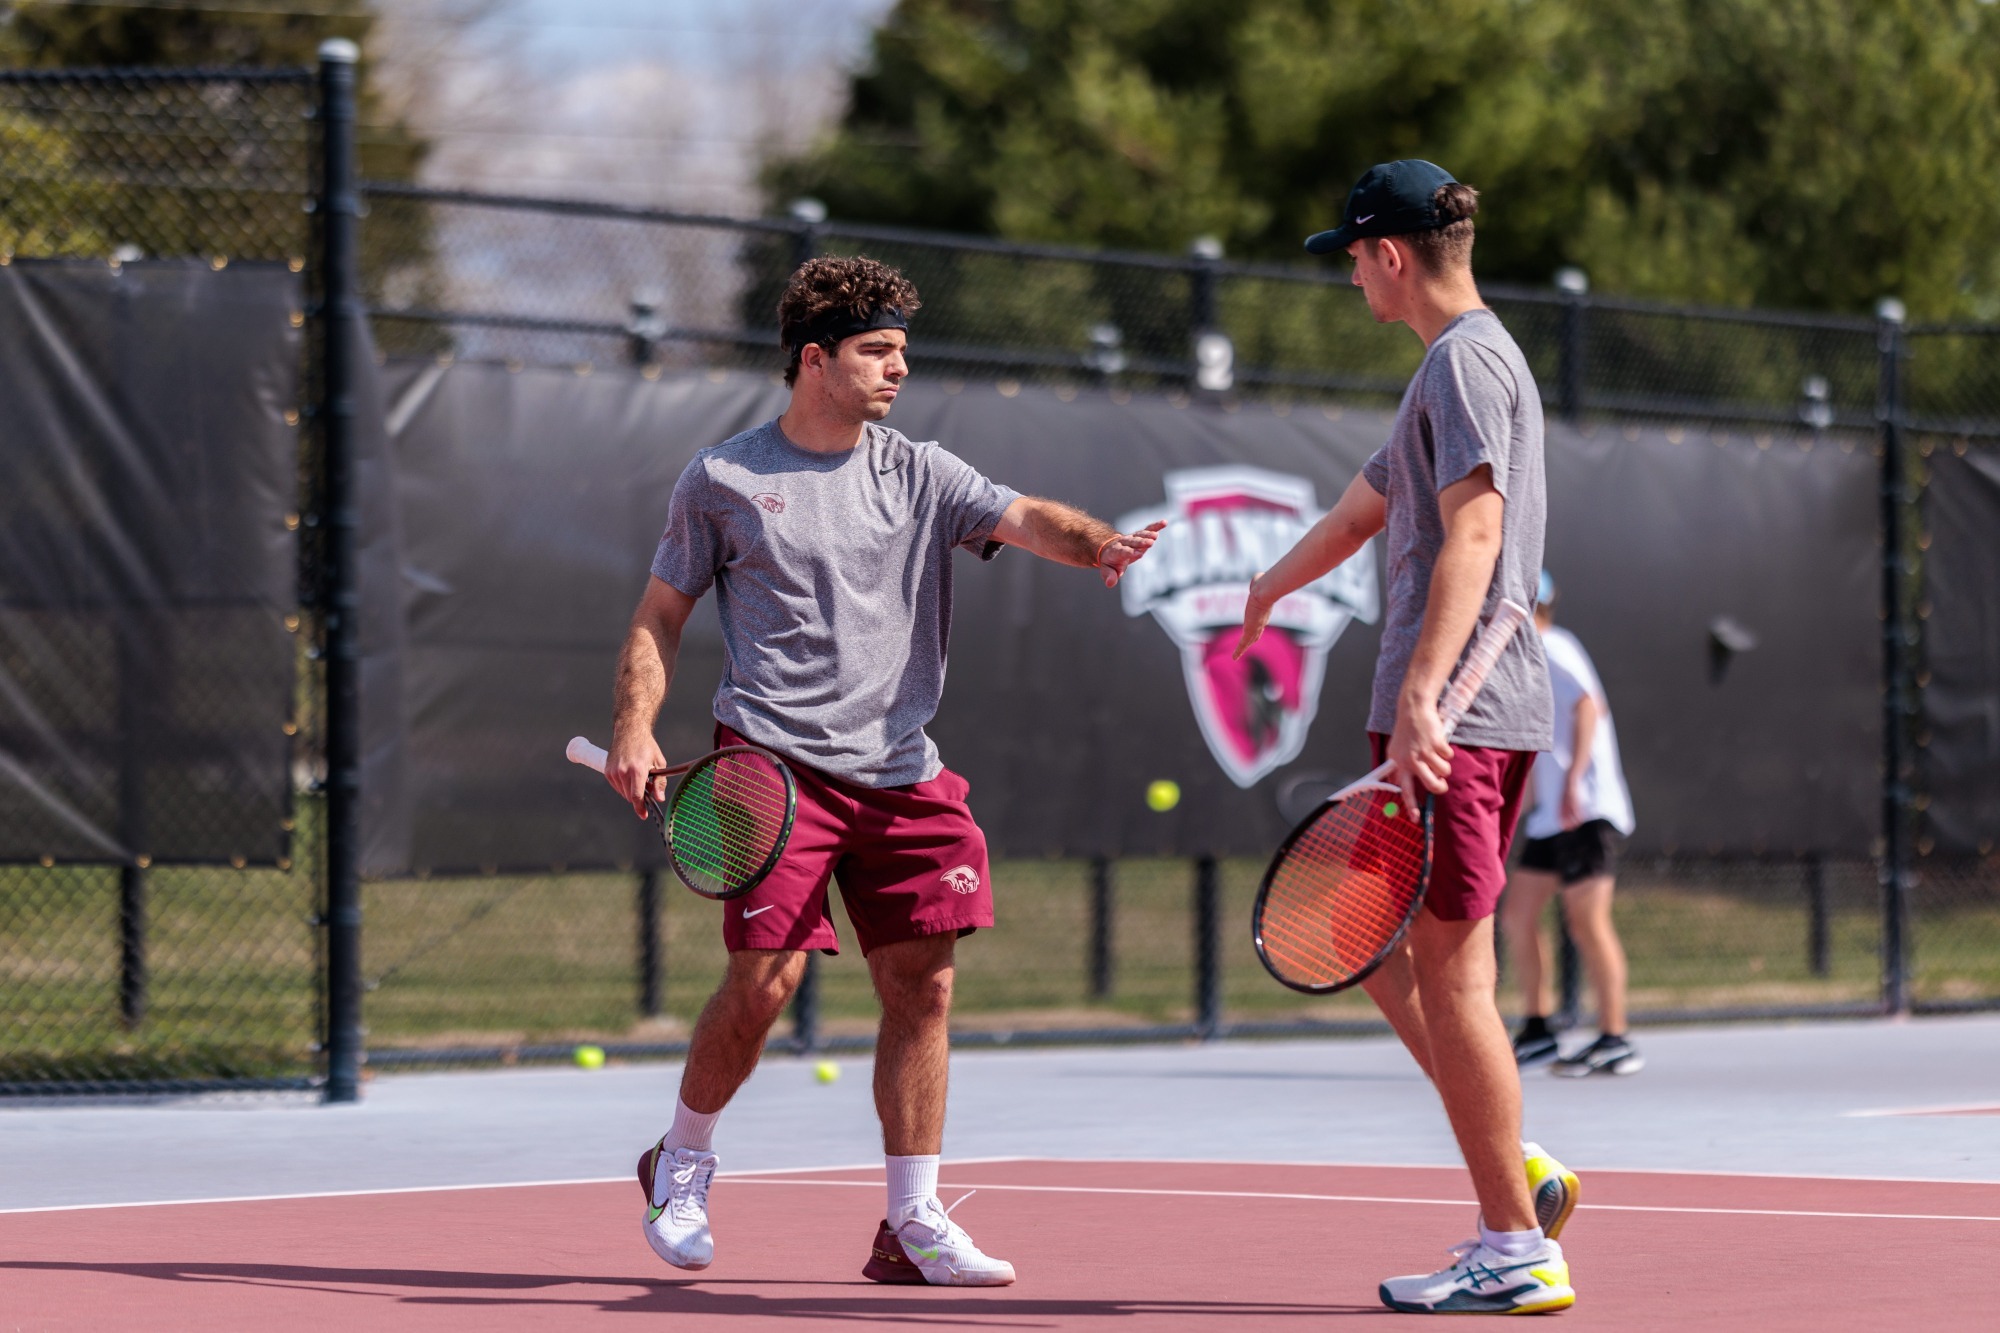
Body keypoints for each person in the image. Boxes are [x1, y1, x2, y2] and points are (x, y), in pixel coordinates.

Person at [603, 254, 1162, 1287]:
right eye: (876, 351)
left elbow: (1024, 515)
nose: (896, 368)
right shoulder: (722, 479)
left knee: (924, 987)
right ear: (815, 360)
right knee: (763, 981)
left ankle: (910, 1220)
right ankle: (680, 1161)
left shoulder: (920, 471)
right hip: (770, 768)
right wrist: (635, 729)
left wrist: (1095, 547)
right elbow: (659, 615)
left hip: (902, 773)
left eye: (902, 350)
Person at [1238, 160, 1578, 1315]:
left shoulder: (1465, 363)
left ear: (1389, 255)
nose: (1345, 269)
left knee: (1453, 976)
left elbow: (1474, 537)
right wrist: (1267, 588)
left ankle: (1512, 1240)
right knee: (1369, 942)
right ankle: (1513, 1168)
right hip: (1449, 716)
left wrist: (1426, 693)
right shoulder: (1447, 372)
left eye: (1350, 251)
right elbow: (1366, 506)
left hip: (1460, 716)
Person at [1503, 571, 1642, 1077]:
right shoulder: (1526, 654)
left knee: (1587, 921)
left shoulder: (1554, 645)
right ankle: (1538, 1030)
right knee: (1518, 915)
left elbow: (1588, 706)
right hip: (1551, 817)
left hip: (1586, 811)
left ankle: (1615, 1037)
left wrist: (1574, 781)